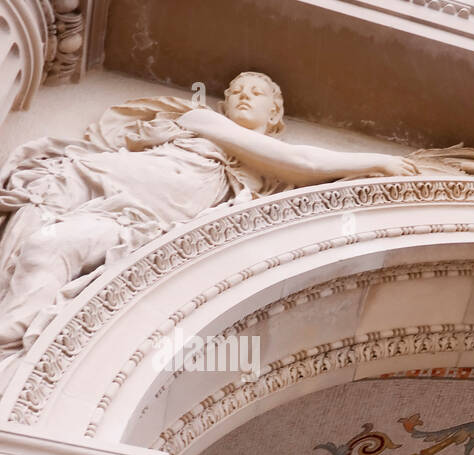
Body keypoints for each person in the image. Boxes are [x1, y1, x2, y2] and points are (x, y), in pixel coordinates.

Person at [0, 71, 433, 363]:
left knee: (47, 245)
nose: (242, 94)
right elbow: (300, 159)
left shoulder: (267, 176)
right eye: (235, 90)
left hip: (133, 222)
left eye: (256, 92)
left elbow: (299, 165)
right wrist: (375, 161)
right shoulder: (202, 119)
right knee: (34, 248)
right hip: (87, 184)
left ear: (275, 113)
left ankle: (15, 329)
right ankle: (15, 330)